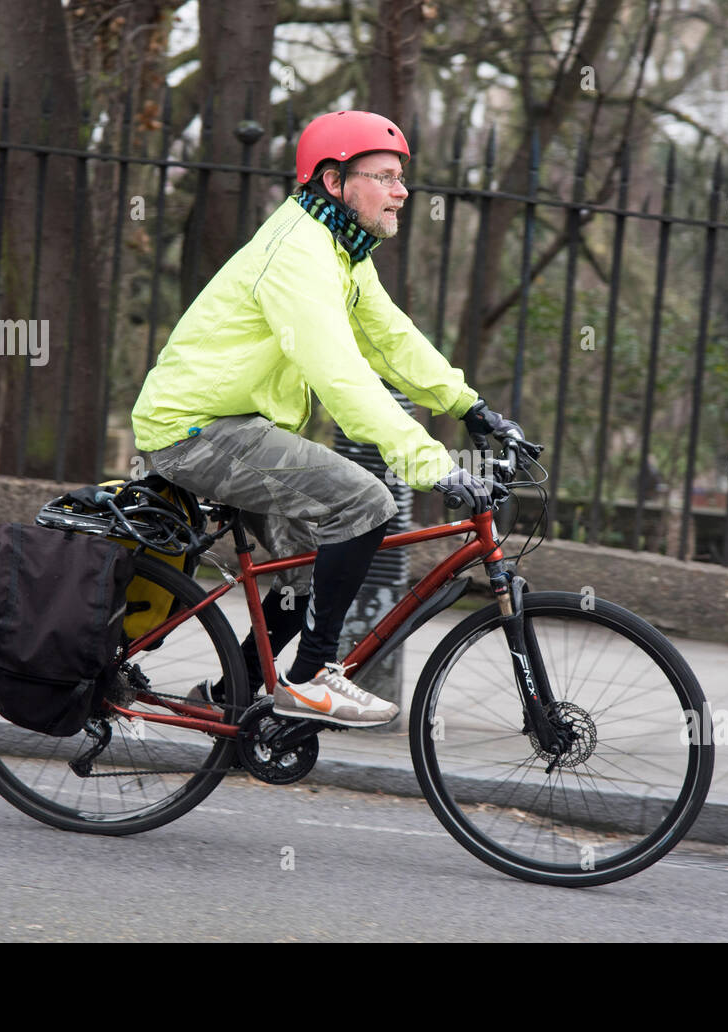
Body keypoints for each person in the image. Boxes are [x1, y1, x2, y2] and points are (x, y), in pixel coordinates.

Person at [130, 110, 531, 728]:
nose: (402, 192)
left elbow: (390, 337)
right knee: (365, 502)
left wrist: (469, 407)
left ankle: (233, 690)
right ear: (334, 180)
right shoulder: (298, 253)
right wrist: (432, 465)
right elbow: (340, 375)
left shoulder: (341, 249)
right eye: (387, 177)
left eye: (403, 178)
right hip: (195, 433)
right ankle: (314, 674)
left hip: (241, 429)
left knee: (309, 560)